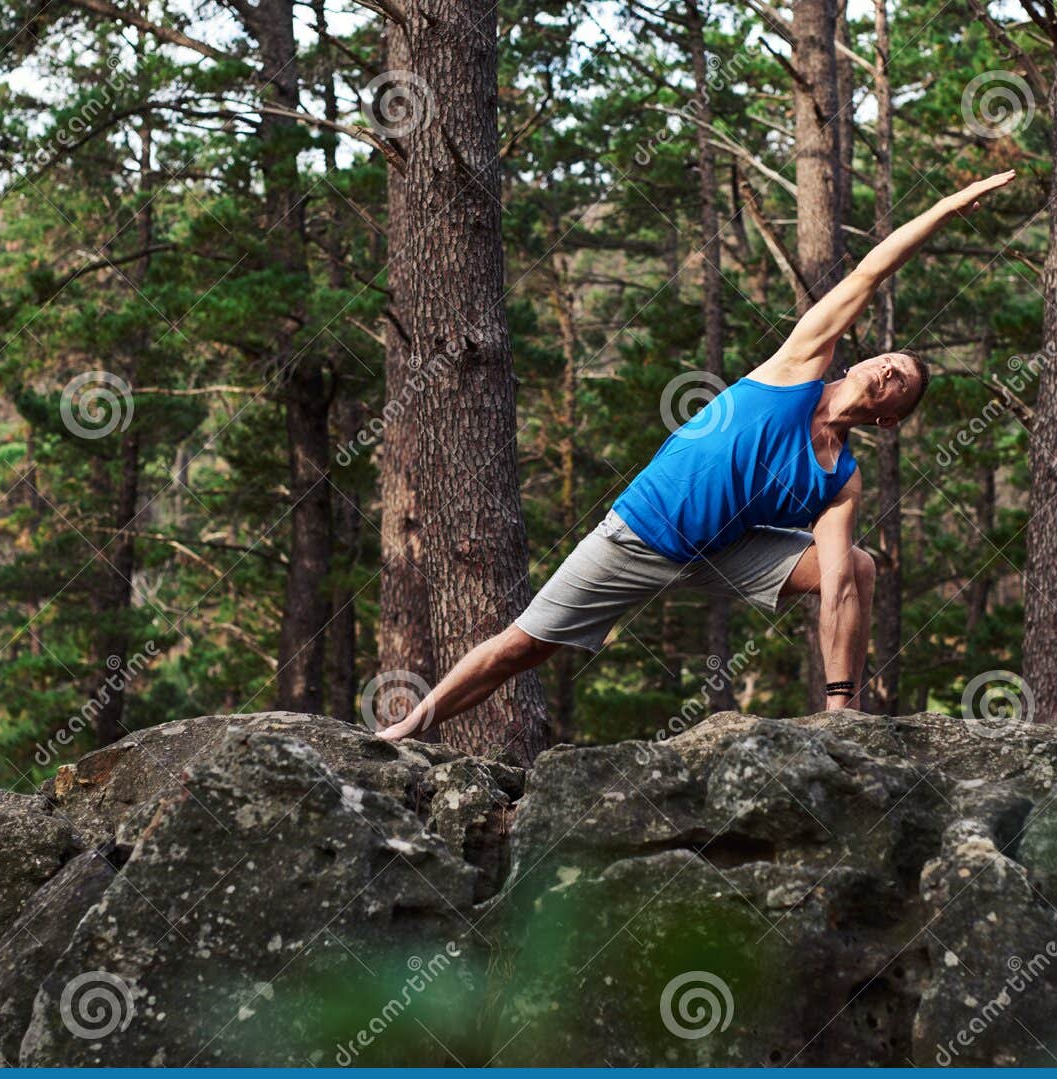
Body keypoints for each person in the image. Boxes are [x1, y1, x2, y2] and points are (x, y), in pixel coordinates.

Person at [375, 170, 1018, 743]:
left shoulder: (838, 479)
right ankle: (408, 726)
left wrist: (839, 703)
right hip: (640, 532)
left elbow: (838, 584)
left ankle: (841, 712)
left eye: (900, 380)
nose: (887, 369)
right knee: (519, 648)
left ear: (890, 416)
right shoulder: (796, 367)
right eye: (887, 359)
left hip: (720, 554)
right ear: (857, 362)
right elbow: (868, 273)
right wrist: (946, 208)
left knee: (858, 565)